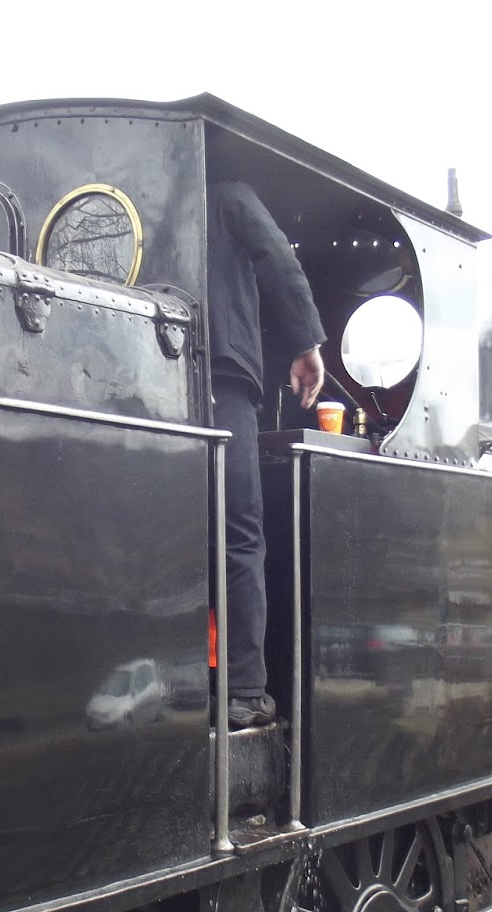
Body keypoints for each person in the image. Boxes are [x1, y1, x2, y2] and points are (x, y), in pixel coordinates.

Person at [206, 180, 326, 729]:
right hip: (221, 379)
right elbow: (276, 256)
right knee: (239, 533)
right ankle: (246, 691)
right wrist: (306, 344)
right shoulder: (228, 193)